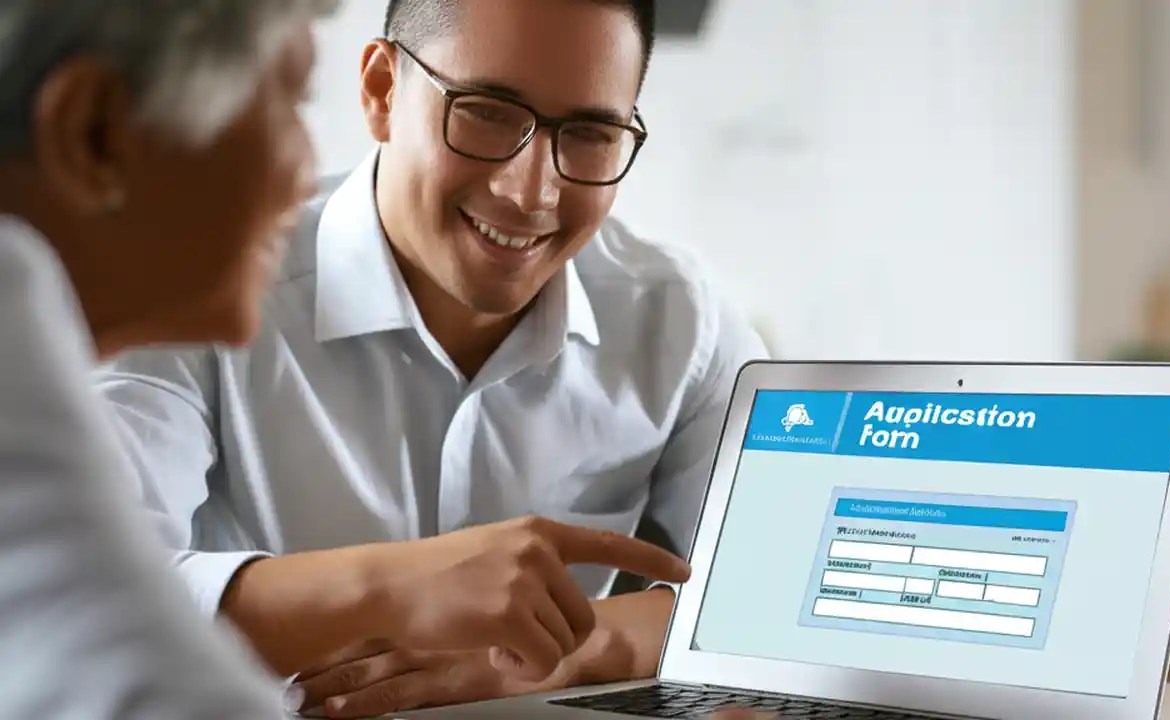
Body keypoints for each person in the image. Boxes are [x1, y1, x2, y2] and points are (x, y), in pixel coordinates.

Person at [0, 0, 694, 717]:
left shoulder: (677, 314)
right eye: (287, 99)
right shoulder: (48, 348)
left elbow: (802, 613)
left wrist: (562, 649)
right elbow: (95, 624)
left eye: (591, 132)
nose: (530, 191)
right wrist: (396, 588)